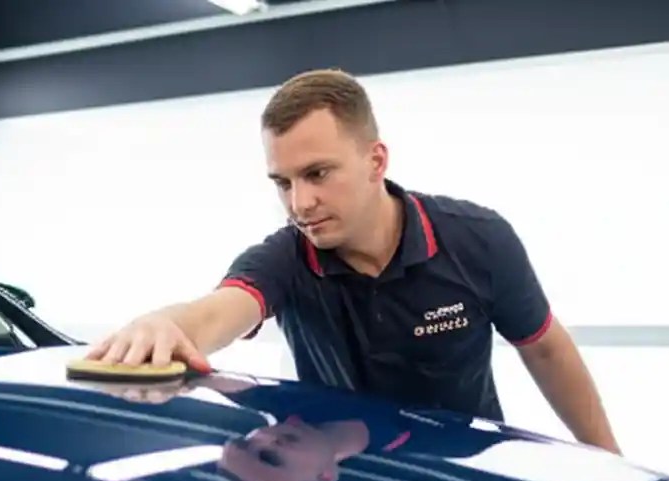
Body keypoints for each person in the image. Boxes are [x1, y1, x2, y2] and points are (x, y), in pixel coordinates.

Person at [84, 68, 620, 454]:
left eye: (317, 174)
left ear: (375, 161)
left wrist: (610, 465)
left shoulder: (479, 239)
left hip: (463, 474)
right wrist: (165, 325)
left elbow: (546, 350)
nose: (300, 204)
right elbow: (223, 309)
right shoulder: (287, 258)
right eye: (283, 182)